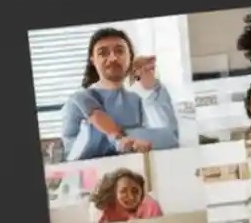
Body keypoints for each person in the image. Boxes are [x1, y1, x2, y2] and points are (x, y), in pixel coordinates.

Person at [59, 28, 179, 162]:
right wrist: (129, 139)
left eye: (120, 51)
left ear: (130, 57)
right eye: (103, 53)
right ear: (93, 60)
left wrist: (151, 89)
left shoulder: (142, 98)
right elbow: (71, 157)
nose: (113, 58)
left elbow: (170, 139)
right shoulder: (79, 101)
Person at [128, 55, 180, 137]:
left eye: (153, 69)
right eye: (147, 70)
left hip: (167, 136)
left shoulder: (161, 91)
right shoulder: (133, 95)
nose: (152, 73)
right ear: (138, 73)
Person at [90, 168, 164, 223]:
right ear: (114, 192)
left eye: (135, 191)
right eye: (123, 191)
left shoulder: (151, 207)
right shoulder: (105, 209)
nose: (131, 197)